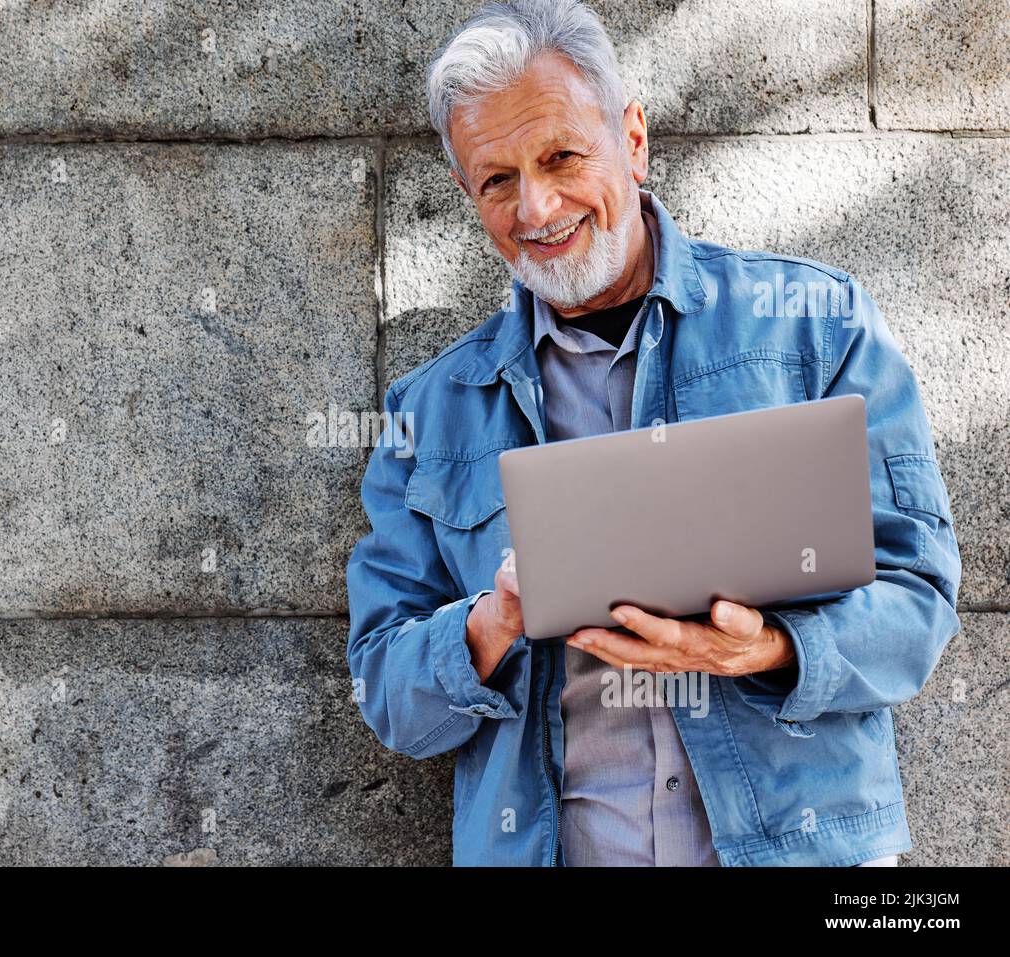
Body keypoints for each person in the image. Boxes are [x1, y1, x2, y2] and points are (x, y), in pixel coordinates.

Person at [345, 0, 961, 866]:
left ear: (632, 138)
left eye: (561, 156)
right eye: (497, 180)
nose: (537, 204)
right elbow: (385, 689)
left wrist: (769, 648)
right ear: (467, 193)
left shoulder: (815, 324)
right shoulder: (428, 410)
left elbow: (920, 600)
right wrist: (494, 621)